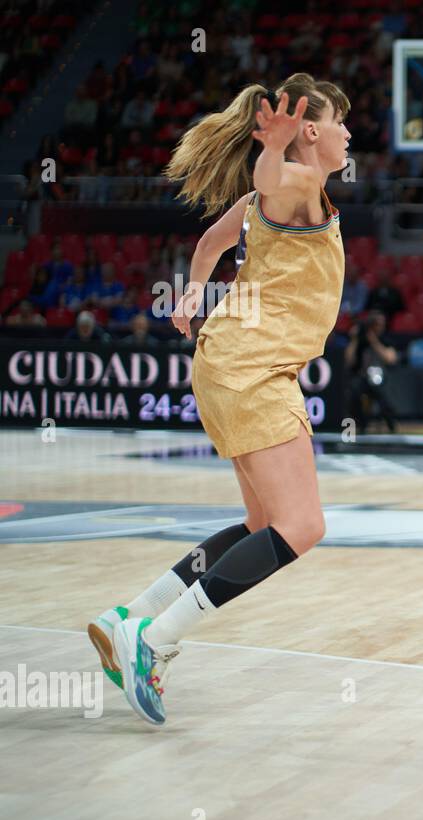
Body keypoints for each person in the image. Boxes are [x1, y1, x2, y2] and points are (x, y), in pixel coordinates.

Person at [86, 73, 351, 726]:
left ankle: (133, 616)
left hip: (227, 362)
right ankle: (155, 641)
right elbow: (270, 179)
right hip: (254, 370)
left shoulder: (281, 195)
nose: (350, 134)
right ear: (310, 131)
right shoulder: (297, 183)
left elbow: (210, 243)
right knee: (302, 526)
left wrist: (189, 295)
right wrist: (275, 149)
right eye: (342, 123)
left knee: (265, 526)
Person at [345, 310, 400, 433]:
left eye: (381, 324)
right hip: (362, 377)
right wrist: (354, 340)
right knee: (353, 392)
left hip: (380, 377)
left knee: (384, 395)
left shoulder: (385, 339)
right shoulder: (360, 340)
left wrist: (374, 341)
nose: (380, 327)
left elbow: (390, 359)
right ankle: (361, 424)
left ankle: (391, 424)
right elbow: (349, 361)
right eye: (377, 324)